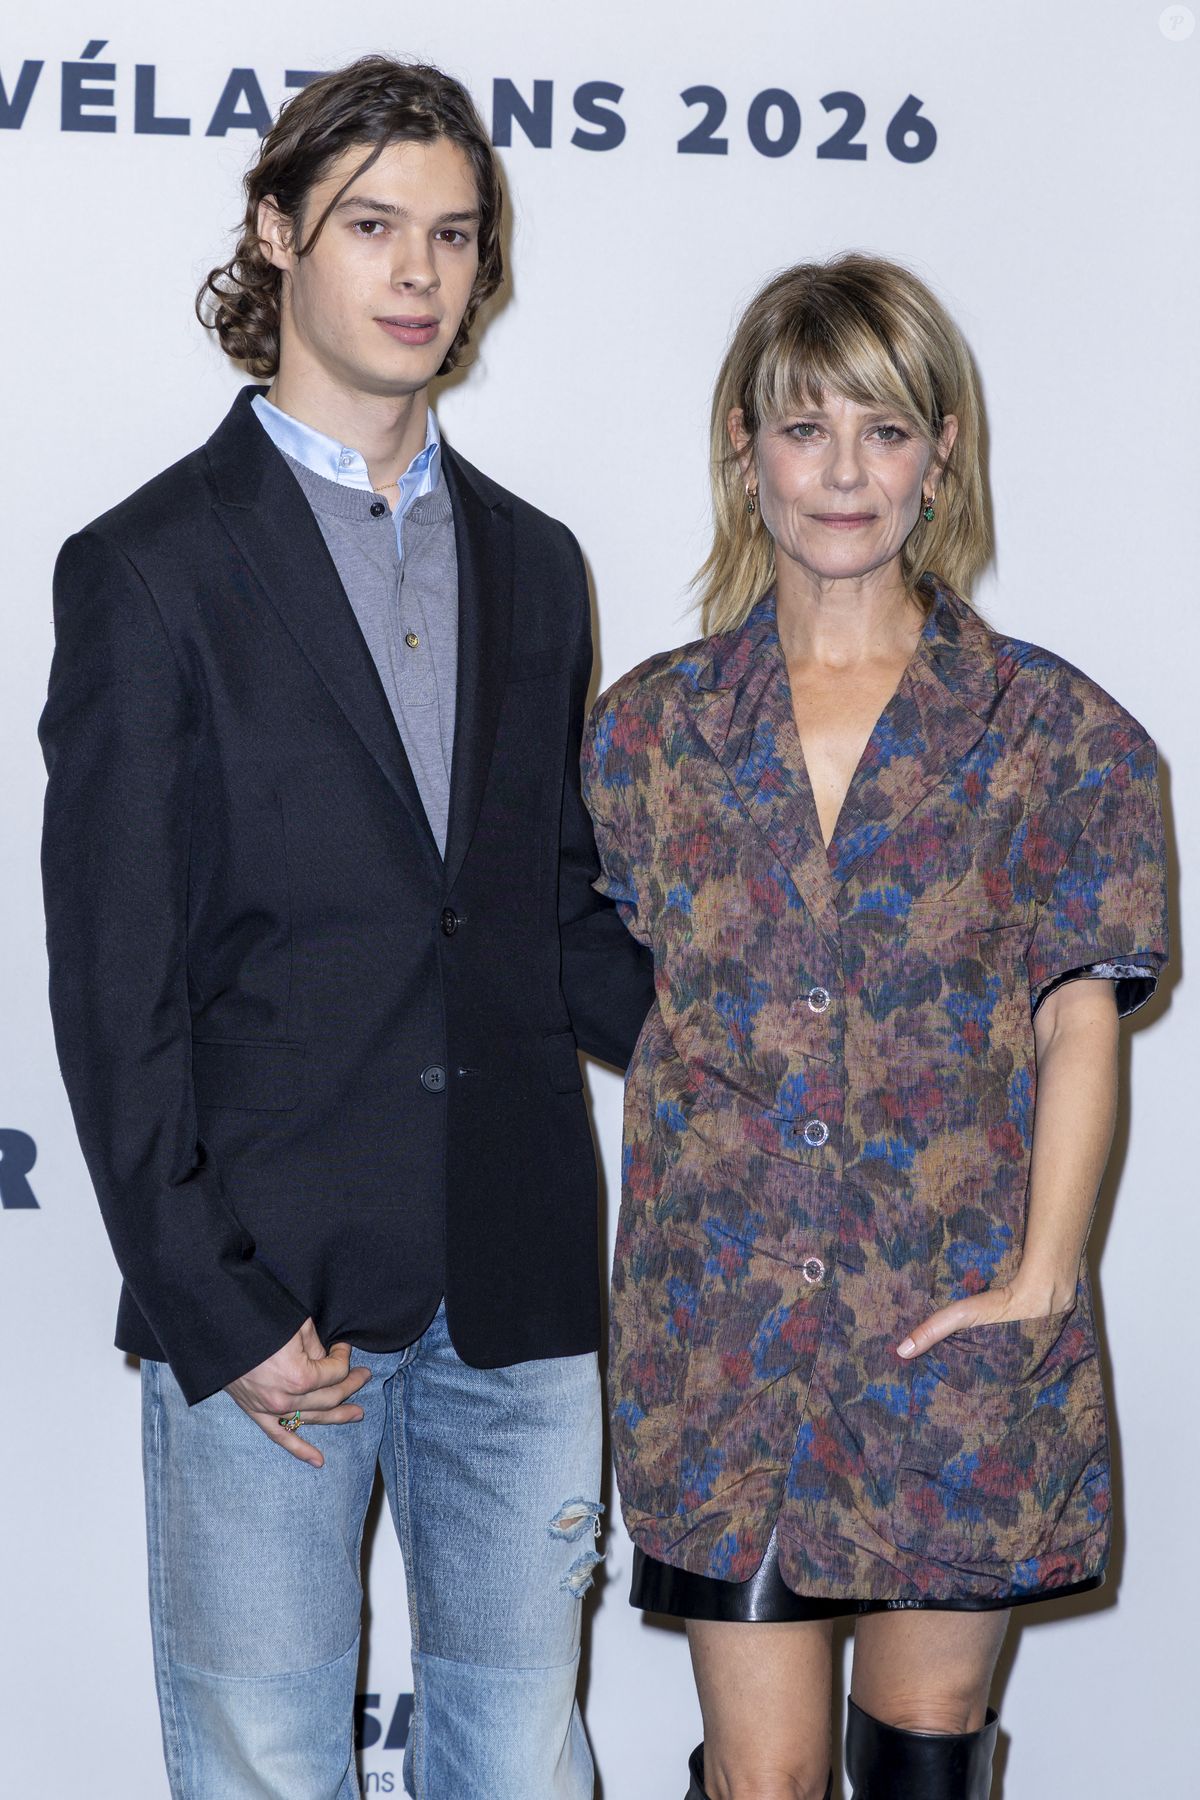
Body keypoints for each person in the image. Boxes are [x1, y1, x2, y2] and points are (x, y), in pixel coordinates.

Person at [40, 56, 652, 1800]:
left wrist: (764, 1029)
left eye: (453, 236)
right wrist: (210, 1305)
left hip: (522, 1290)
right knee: (264, 1769)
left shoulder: (537, 563)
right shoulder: (148, 566)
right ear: (277, 233)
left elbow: (542, 915)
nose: (417, 273)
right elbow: (113, 982)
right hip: (266, 1309)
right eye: (373, 225)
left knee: (526, 1767)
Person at [582, 254, 1169, 1800]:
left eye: (887, 430)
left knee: (923, 1768)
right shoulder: (643, 734)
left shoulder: (1064, 735)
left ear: (944, 452)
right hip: (724, 1353)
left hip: (953, 1338)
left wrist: (1043, 1278)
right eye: (804, 426)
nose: (845, 471)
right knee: (759, 1785)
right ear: (741, 440)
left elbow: (1080, 1020)